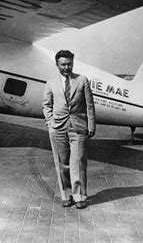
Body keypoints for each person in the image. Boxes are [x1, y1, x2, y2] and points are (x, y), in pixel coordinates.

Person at [42, 50, 96, 209]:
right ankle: (66, 195)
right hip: (58, 128)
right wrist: (50, 122)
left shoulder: (82, 80)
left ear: (73, 63)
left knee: (78, 161)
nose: (67, 67)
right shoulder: (51, 83)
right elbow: (46, 105)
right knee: (62, 163)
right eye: (63, 64)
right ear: (57, 65)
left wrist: (91, 125)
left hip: (78, 127)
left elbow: (90, 105)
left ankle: (79, 196)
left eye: (69, 64)